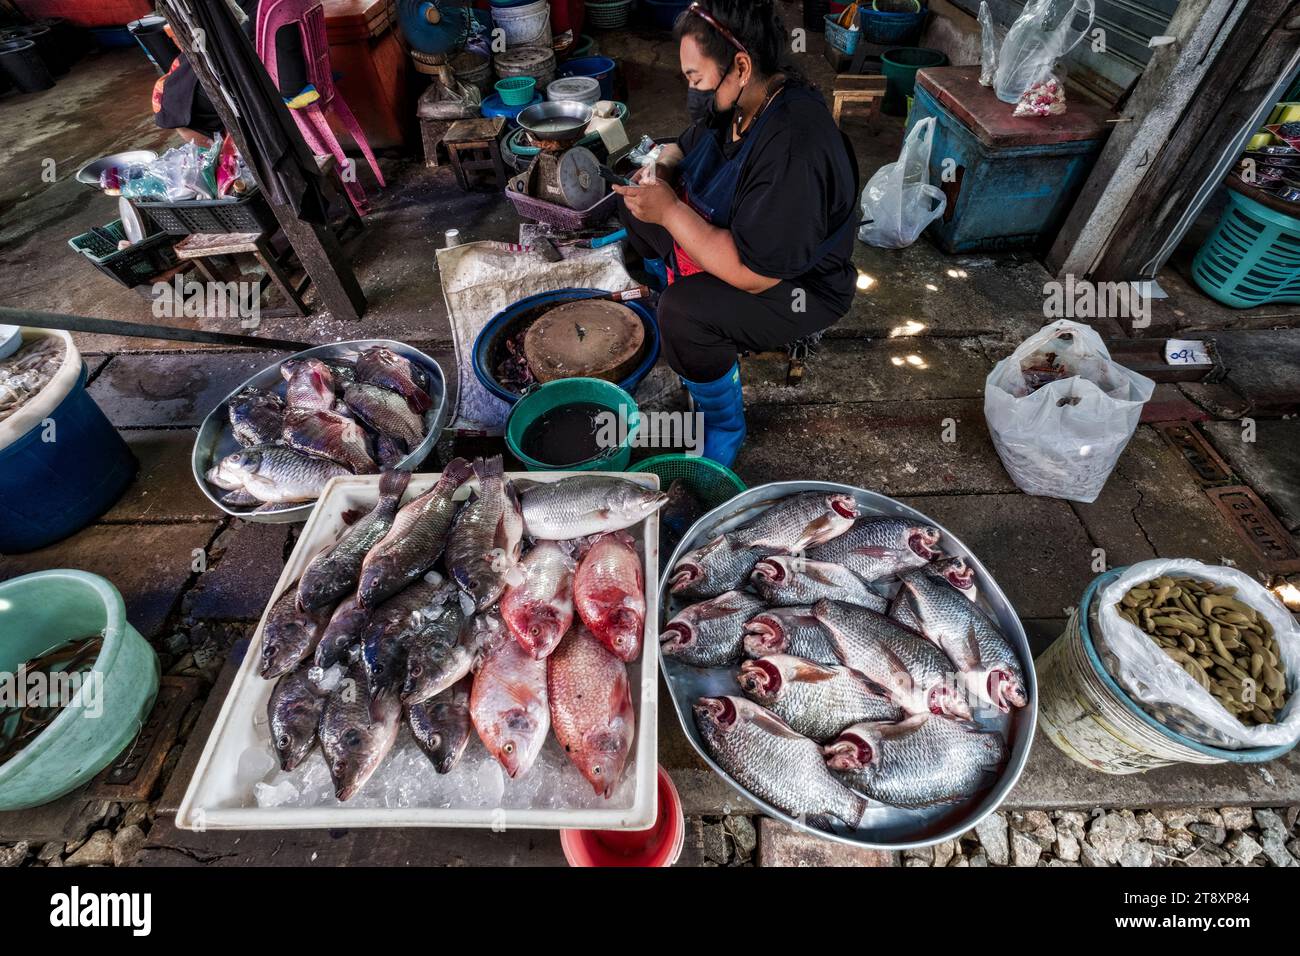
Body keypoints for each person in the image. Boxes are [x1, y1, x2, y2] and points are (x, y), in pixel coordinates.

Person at [614, 0, 860, 468]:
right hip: (734, 247)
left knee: (684, 313)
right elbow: (675, 148)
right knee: (637, 208)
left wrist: (670, 212)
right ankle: (680, 313)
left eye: (695, 78)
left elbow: (752, 273)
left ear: (741, 65)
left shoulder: (793, 147)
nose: (691, 90)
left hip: (796, 287)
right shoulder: (737, 105)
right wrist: (660, 176)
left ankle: (723, 424)